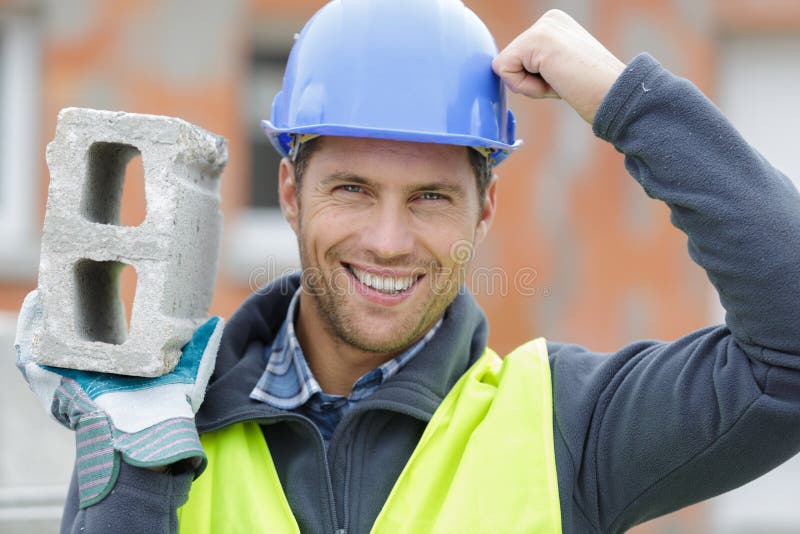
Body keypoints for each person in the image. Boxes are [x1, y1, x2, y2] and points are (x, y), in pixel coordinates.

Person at [15, 1, 800, 532]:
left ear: (483, 211)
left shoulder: (569, 428)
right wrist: (133, 481)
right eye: (352, 189)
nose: (389, 241)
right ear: (289, 191)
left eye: (429, 198)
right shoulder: (163, 420)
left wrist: (625, 98)